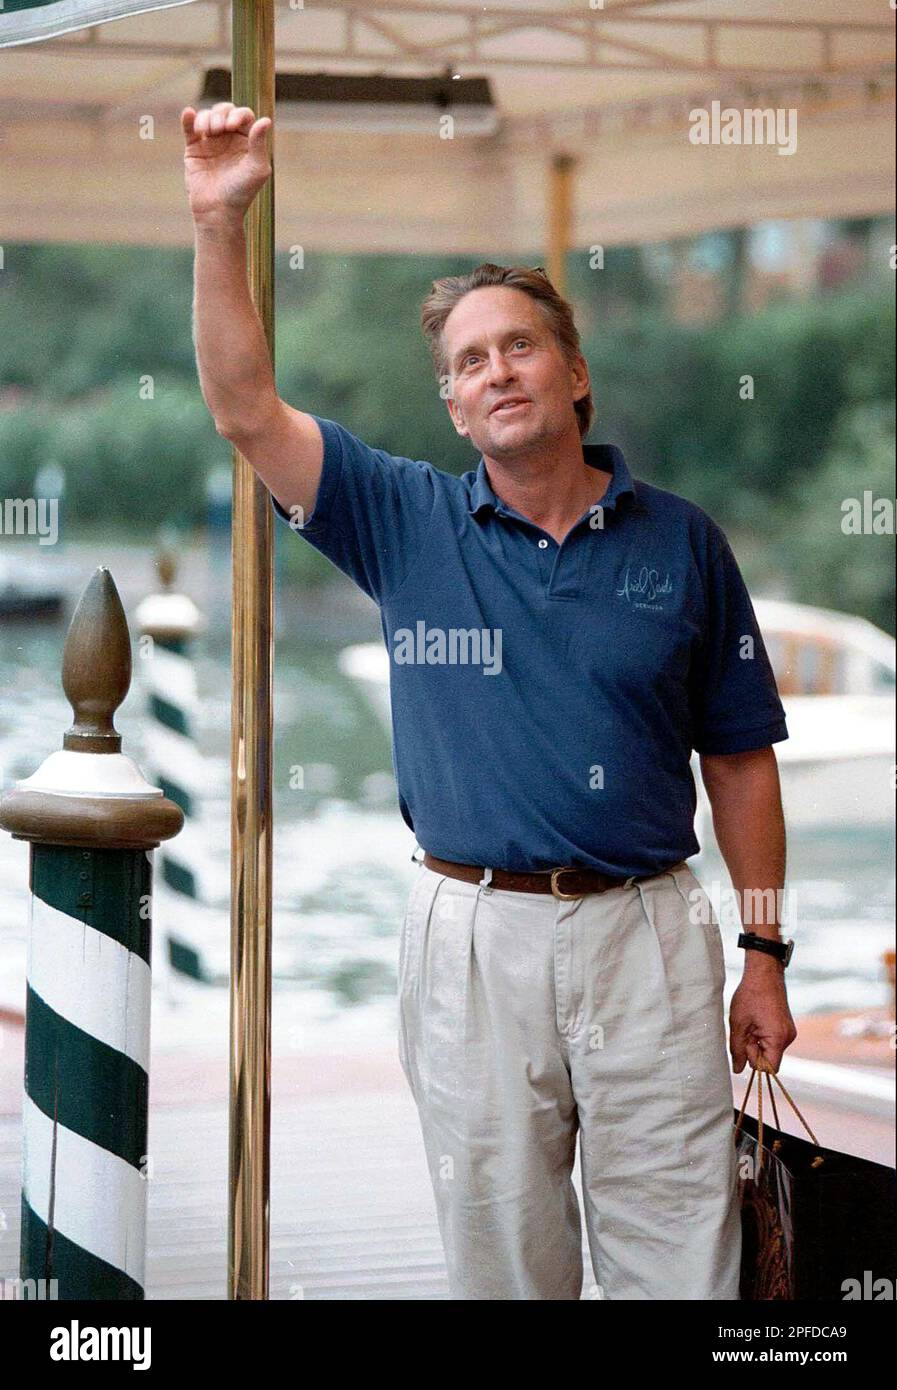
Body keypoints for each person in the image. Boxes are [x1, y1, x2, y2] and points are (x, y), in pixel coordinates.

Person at [183, 101, 798, 1301]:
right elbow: (245, 408)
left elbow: (740, 761)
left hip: (650, 939)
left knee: (685, 1262)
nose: (495, 370)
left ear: (573, 373)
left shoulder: (685, 542)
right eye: (468, 362)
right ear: (455, 409)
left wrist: (766, 954)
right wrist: (220, 222)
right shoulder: (400, 520)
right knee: (504, 1271)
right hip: (471, 937)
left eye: (518, 345)